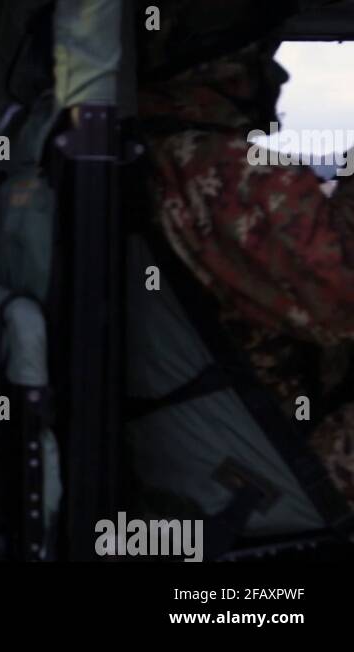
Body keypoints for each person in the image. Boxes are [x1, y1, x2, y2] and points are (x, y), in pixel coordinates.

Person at [138, 38, 354, 506]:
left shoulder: (160, 149)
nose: (277, 76)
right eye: (257, 58)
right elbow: (342, 304)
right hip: (279, 458)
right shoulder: (226, 167)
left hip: (231, 434)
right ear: (214, 68)